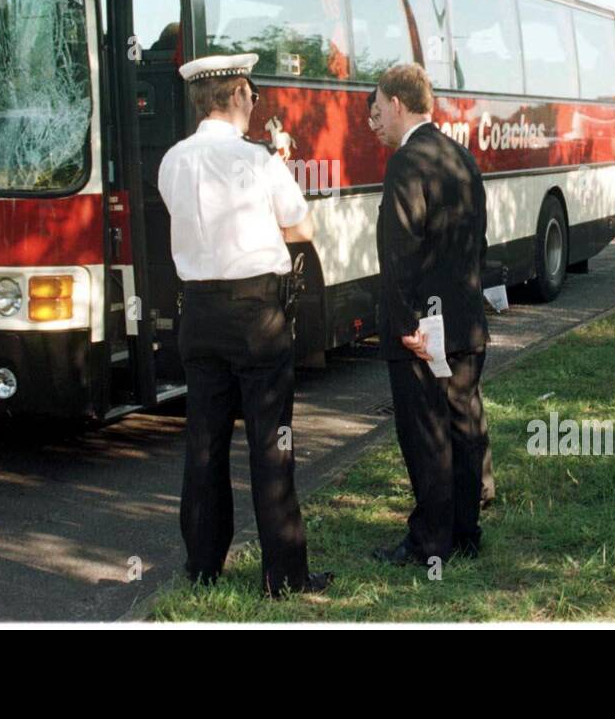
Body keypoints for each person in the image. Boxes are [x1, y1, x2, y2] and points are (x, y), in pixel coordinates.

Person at [157, 53, 332, 598]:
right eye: (253, 96)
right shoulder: (259, 161)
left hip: (199, 313)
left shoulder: (172, 161)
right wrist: (276, 163)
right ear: (236, 96)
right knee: (271, 443)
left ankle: (204, 566)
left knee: (204, 441)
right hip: (258, 312)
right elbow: (301, 226)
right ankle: (284, 575)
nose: (256, 105)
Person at [369, 64, 491, 566]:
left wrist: (406, 330)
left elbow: (398, 257)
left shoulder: (405, 164)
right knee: (463, 427)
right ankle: (464, 533)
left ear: (398, 104)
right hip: (465, 321)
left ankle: (428, 543)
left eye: (376, 109)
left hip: (423, 330)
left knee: (426, 436)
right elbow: (476, 243)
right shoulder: (461, 156)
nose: (373, 120)